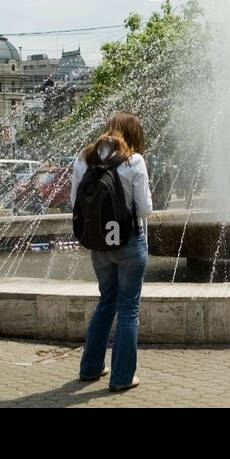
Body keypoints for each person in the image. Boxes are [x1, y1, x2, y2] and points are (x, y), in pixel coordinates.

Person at [71, 111, 152, 393]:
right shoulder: (134, 161)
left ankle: (90, 369)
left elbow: (75, 203)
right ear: (131, 133)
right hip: (129, 242)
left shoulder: (84, 158)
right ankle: (121, 378)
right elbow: (144, 210)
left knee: (106, 302)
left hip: (98, 243)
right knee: (128, 308)